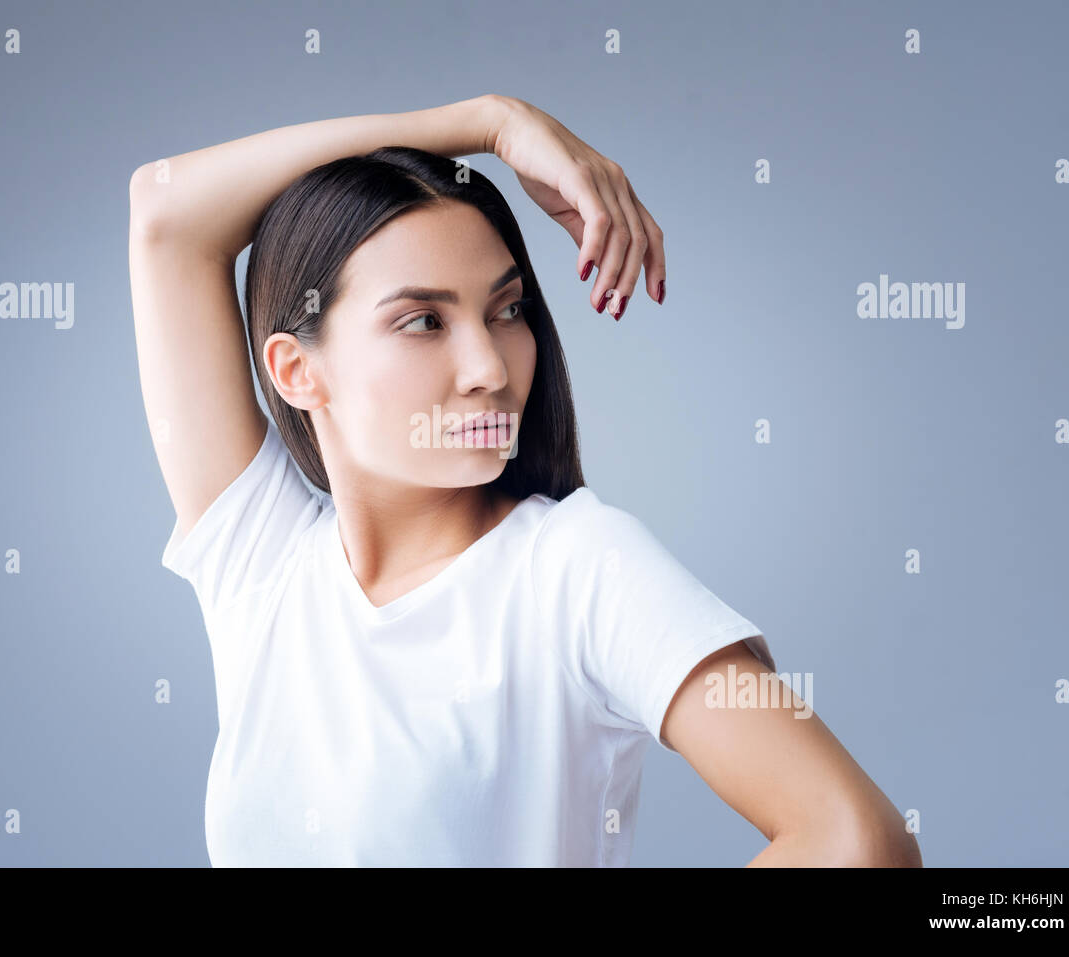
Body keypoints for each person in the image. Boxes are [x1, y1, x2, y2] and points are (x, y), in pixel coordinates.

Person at [128, 93, 922, 867]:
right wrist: (487, 123)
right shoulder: (261, 561)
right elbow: (166, 215)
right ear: (298, 370)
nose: (489, 367)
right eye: (424, 321)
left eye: (507, 311)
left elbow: (857, 840)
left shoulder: (575, 569)